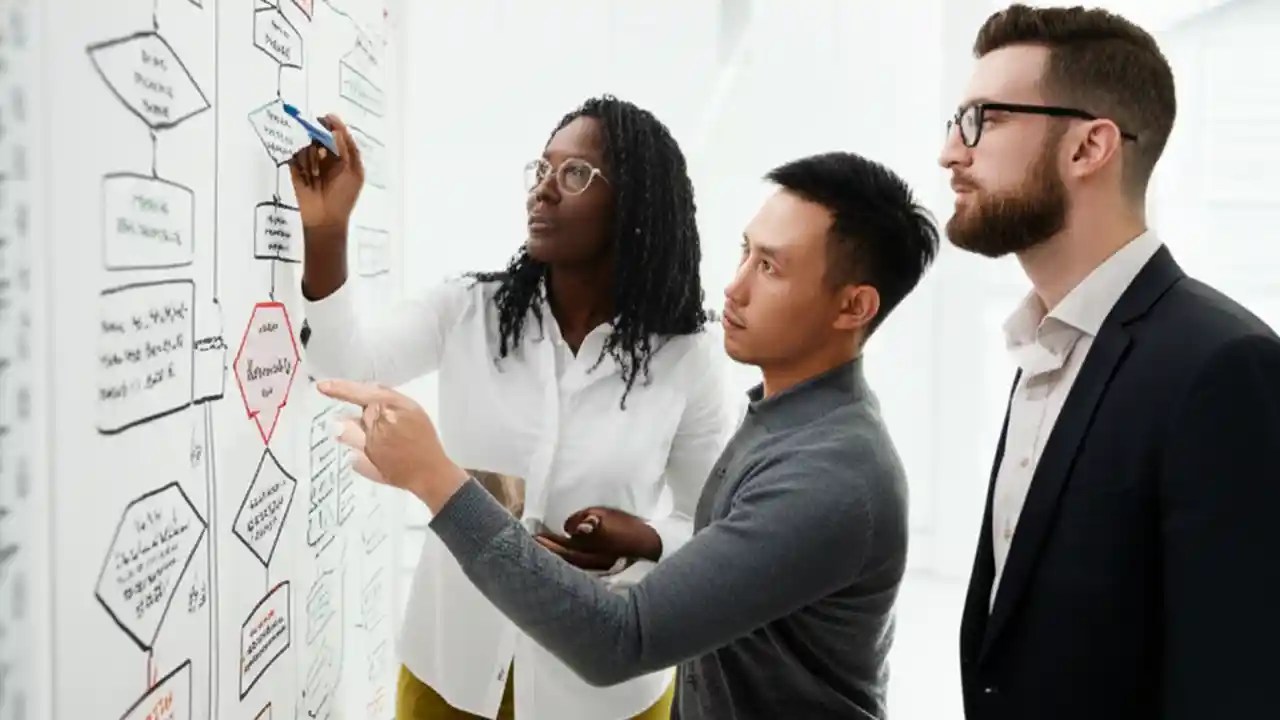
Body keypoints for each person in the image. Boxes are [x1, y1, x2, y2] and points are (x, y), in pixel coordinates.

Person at [318, 151, 942, 720]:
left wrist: (437, 481)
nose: (735, 286)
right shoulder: (779, 420)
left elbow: (625, 637)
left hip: (597, 696)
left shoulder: (827, 472)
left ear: (853, 307)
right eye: (745, 252)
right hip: (455, 659)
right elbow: (717, 548)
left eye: (771, 266)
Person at [291, 95, 734, 720]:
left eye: (574, 174)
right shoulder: (468, 310)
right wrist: (327, 231)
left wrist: (646, 536)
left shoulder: (686, 358)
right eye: (541, 170)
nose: (543, 191)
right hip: (451, 672)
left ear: (635, 206)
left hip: (604, 697)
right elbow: (343, 369)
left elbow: (710, 523)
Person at [938, 5, 1280, 719]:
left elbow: (1234, 680)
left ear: (1089, 147)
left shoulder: (1221, 367)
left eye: (984, 120)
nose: (951, 152)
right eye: (954, 122)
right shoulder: (1044, 347)